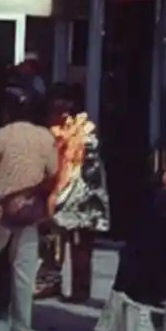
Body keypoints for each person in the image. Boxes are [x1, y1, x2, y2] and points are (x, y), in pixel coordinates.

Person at [0, 83, 58, 331]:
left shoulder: (1, 135)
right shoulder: (45, 137)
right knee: (24, 272)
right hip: (29, 212)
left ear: (8, 110)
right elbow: (53, 174)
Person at [47, 83, 110, 303]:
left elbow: (67, 165)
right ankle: (78, 288)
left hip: (77, 192)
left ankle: (62, 285)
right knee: (80, 244)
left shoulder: (72, 131)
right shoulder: (86, 129)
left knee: (69, 239)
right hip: (88, 194)